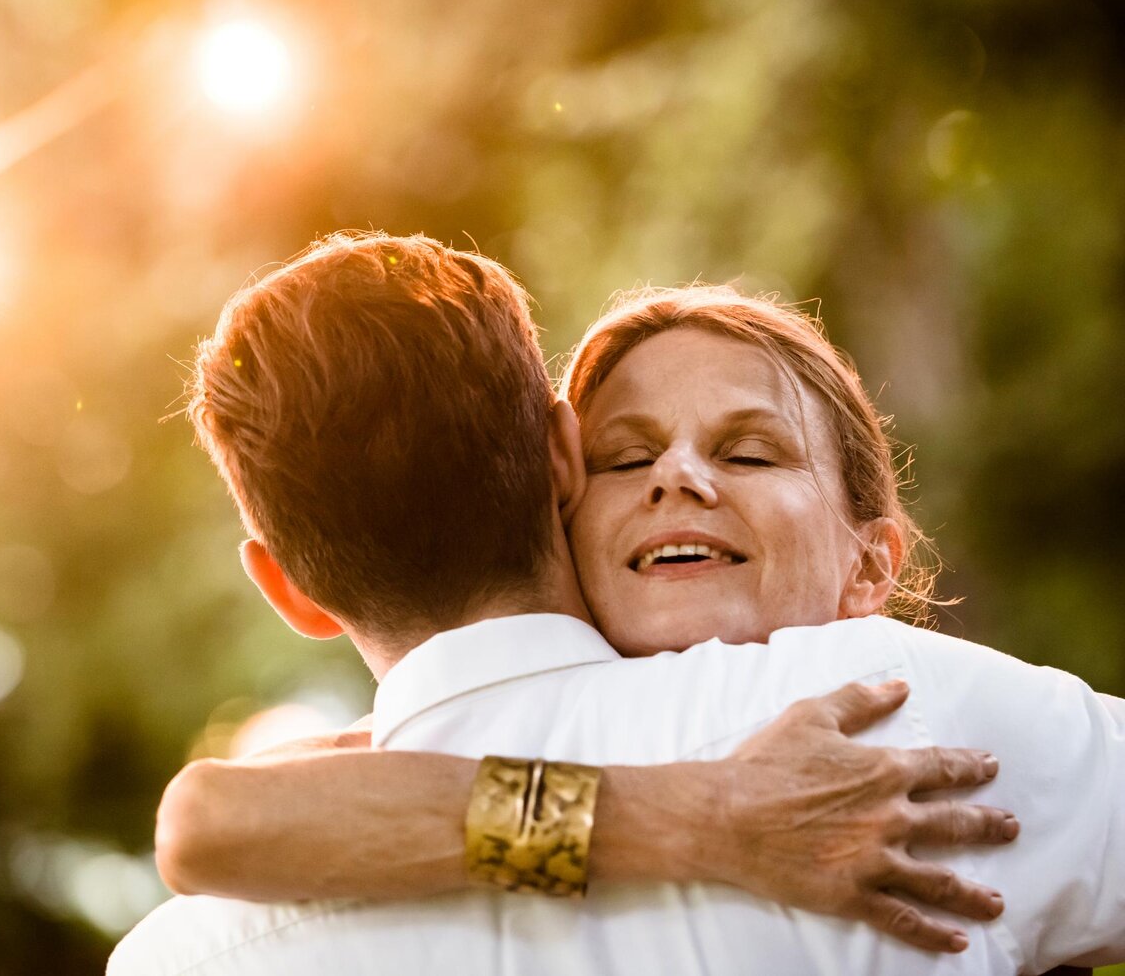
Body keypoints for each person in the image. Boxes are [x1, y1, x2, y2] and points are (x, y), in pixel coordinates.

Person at [109, 234, 1124, 975]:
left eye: (750, 449)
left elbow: (203, 819)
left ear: (287, 588)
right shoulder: (886, 729)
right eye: (626, 454)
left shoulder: (187, 951)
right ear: (561, 463)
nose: (676, 478)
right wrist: (703, 815)